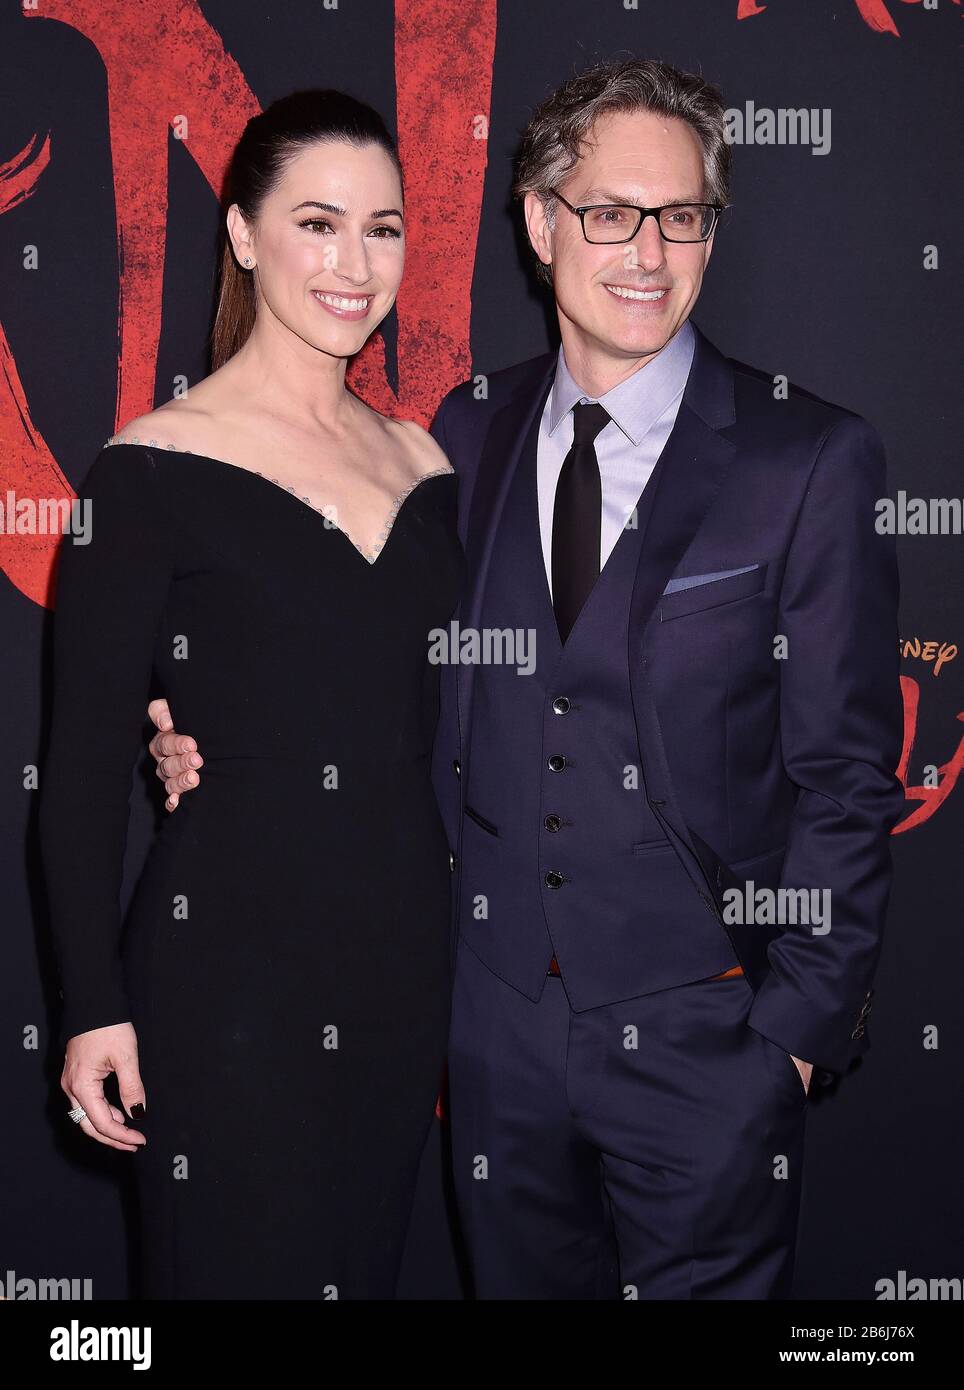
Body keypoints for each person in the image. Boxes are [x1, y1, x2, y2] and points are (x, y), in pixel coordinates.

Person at [146, 58, 905, 1299]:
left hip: (707, 1036)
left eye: (682, 216)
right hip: (488, 1030)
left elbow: (845, 775)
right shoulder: (463, 430)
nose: (648, 252)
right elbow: (369, 665)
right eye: (610, 211)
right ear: (543, 222)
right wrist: (199, 724)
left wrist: (792, 1038)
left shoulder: (807, 456)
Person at [39, 90, 461, 1300]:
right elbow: (75, 780)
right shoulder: (151, 469)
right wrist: (92, 1010)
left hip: (400, 968)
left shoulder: (426, 463)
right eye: (317, 223)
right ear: (240, 235)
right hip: (224, 969)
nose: (353, 263)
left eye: (382, 229)